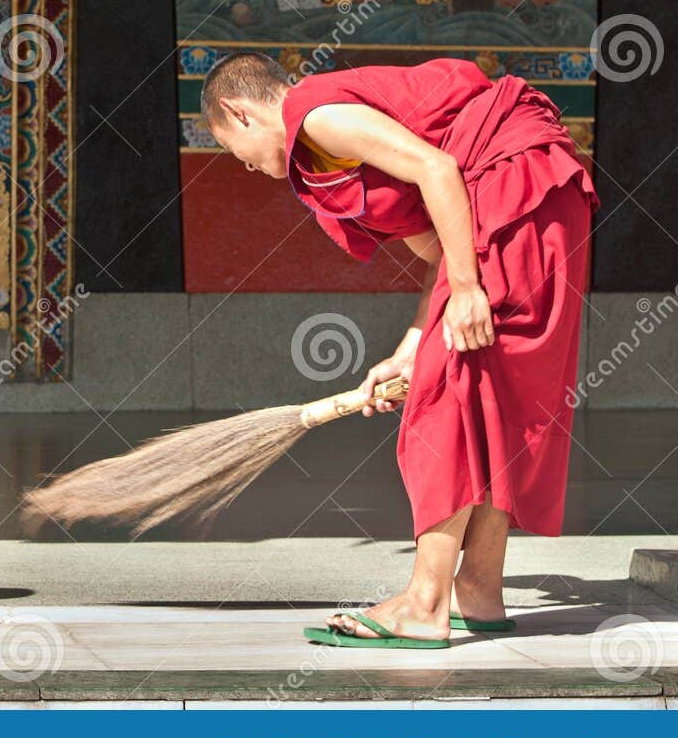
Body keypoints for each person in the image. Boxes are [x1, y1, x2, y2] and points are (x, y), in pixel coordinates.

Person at [201, 53, 597, 648]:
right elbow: (441, 247)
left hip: (519, 198)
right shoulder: (320, 162)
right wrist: (414, 343)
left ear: (240, 111)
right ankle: (480, 591)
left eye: (235, 151)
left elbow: (438, 169)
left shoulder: (314, 117)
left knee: (443, 402)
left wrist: (467, 289)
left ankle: (424, 603)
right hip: (529, 207)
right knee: (489, 398)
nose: (250, 169)